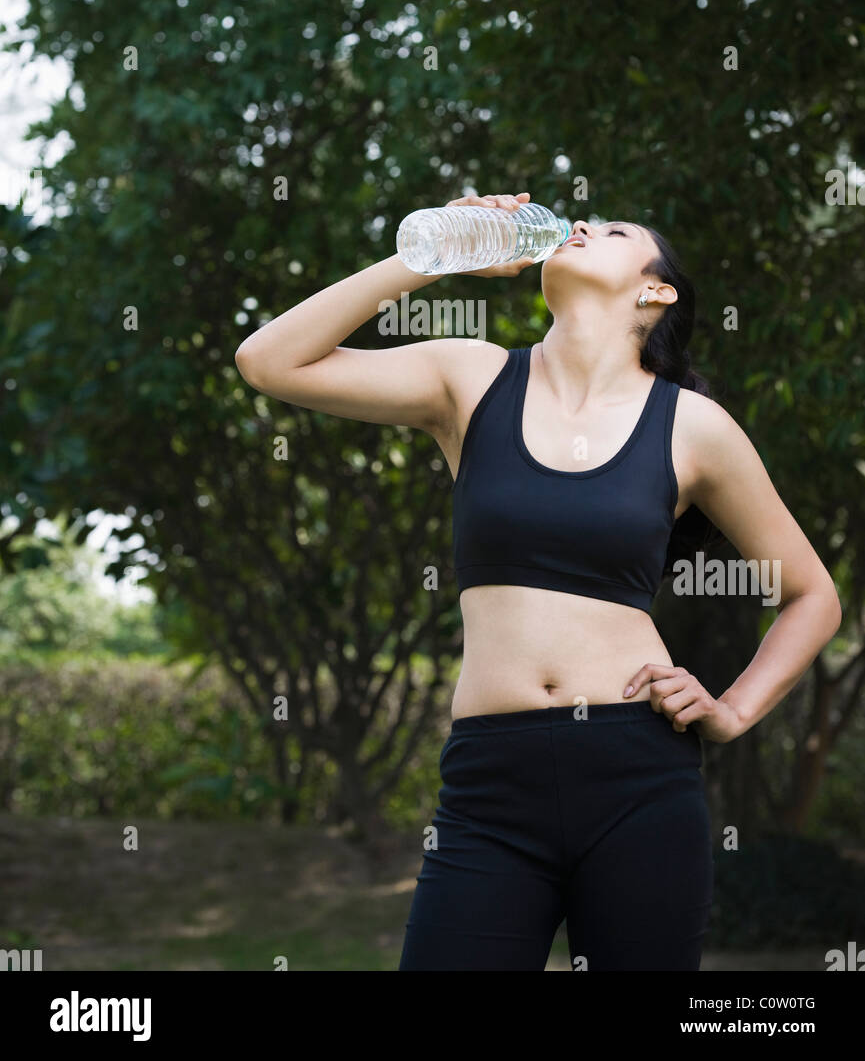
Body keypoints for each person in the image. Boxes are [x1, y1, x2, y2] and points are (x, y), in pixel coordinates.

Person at [234, 189, 842, 971]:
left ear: (656, 293)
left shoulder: (691, 425)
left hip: (638, 773)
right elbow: (268, 360)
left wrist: (731, 711)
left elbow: (811, 595)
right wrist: (432, 254)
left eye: (615, 229)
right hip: (492, 781)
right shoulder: (470, 378)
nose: (582, 224)